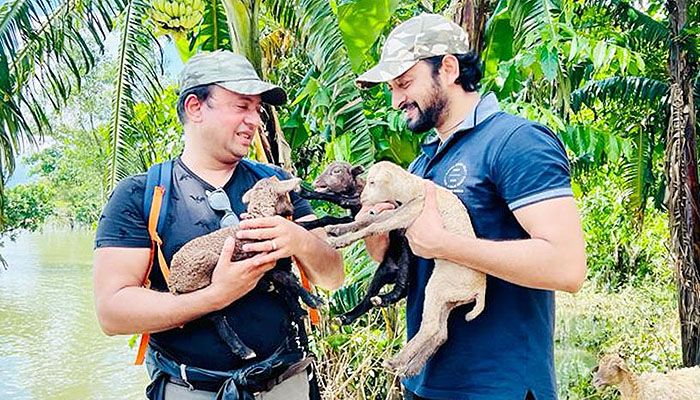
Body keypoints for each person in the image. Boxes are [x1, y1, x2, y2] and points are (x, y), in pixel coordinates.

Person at [356, 13, 587, 400]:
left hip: (497, 387)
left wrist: (445, 244)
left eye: (404, 83)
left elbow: (567, 267)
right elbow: (404, 261)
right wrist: (375, 228)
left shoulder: (515, 141)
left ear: (447, 68)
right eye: (392, 88)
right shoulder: (422, 163)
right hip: (426, 381)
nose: (396, 100)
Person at [93, 50, 344, 400]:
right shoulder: (142, 194)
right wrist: (215, 296)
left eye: (257, 108)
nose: (255, 120)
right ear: (195, 107)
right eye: (242, 106)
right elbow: (112, 313)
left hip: (287, 383)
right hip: (191, 389)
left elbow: (333, 276)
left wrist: (297, 240)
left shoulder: (276, 181)